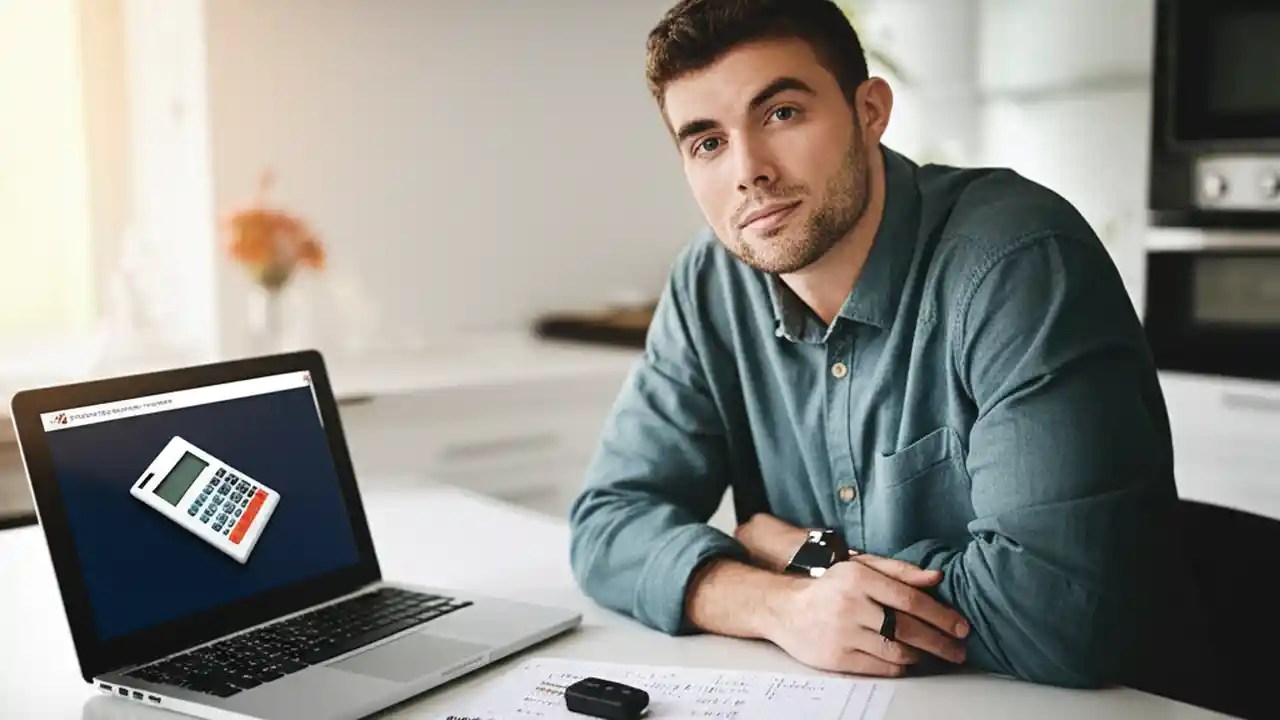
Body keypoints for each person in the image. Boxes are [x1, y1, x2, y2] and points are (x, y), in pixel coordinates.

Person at [568, 0, 1185, 690]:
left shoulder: (1018, 262)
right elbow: (608, 525)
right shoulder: (709, 284)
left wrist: (791, 549)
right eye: (707, 142)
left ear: (870, 110)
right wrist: (775, 604)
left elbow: (1058, 616)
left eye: (781, 114)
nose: (749, 170)